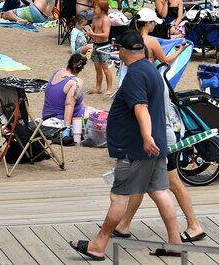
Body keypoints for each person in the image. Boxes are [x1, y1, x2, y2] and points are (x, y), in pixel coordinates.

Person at [71, 31, 184, 260]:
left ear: (123, 51)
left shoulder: (135, 75)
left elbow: (140, 108)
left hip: (136, 149)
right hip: (154, 145)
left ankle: (98, 245)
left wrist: (146, 137)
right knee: (159, 191)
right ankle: (176, 243)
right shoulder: (151, 69)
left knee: (118, 197)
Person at [43, 54, 88, 136]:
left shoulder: (58, 71)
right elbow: (69, 105)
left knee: (89, 108)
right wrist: (66, 129)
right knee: (99, 115)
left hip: (46, 118)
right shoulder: (76, 82)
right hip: (61, 121)